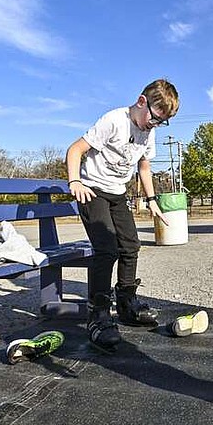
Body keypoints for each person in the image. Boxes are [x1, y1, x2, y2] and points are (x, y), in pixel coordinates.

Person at [66, 79, 179, 353]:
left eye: (161, 123)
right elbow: (75, 150)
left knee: (131, 246)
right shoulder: (114, 120)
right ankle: (99, 316)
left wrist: (152, 200)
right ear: (142, 101)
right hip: (92, 190)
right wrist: (74, 182)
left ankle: (127, 303)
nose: (153, 125)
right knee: (106, 250)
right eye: (153, 118)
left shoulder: (147, 132)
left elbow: (144, 166)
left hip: (117, 194)